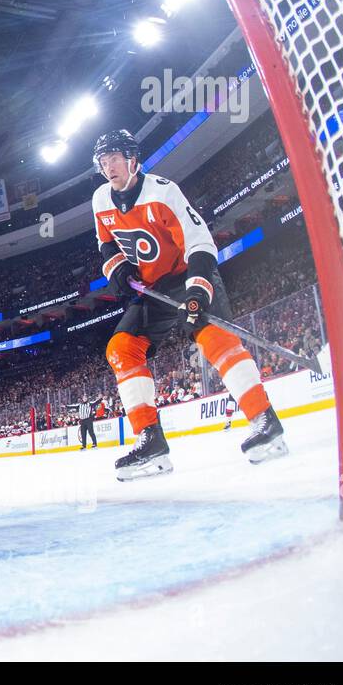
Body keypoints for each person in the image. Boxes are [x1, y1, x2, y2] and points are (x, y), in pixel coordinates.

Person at [91, 129, 286, 480]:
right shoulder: (100, 200)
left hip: (188, 272)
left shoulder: (162, 192)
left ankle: (265, 421)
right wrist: (117, 268)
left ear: (133, 159)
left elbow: (199, 244)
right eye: (103, 162)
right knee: (121, 348)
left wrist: (197, 291)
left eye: (114, 158)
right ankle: (151, 441)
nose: (109, 167)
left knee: (212, 337)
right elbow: (106, 243)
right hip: (153, 287)